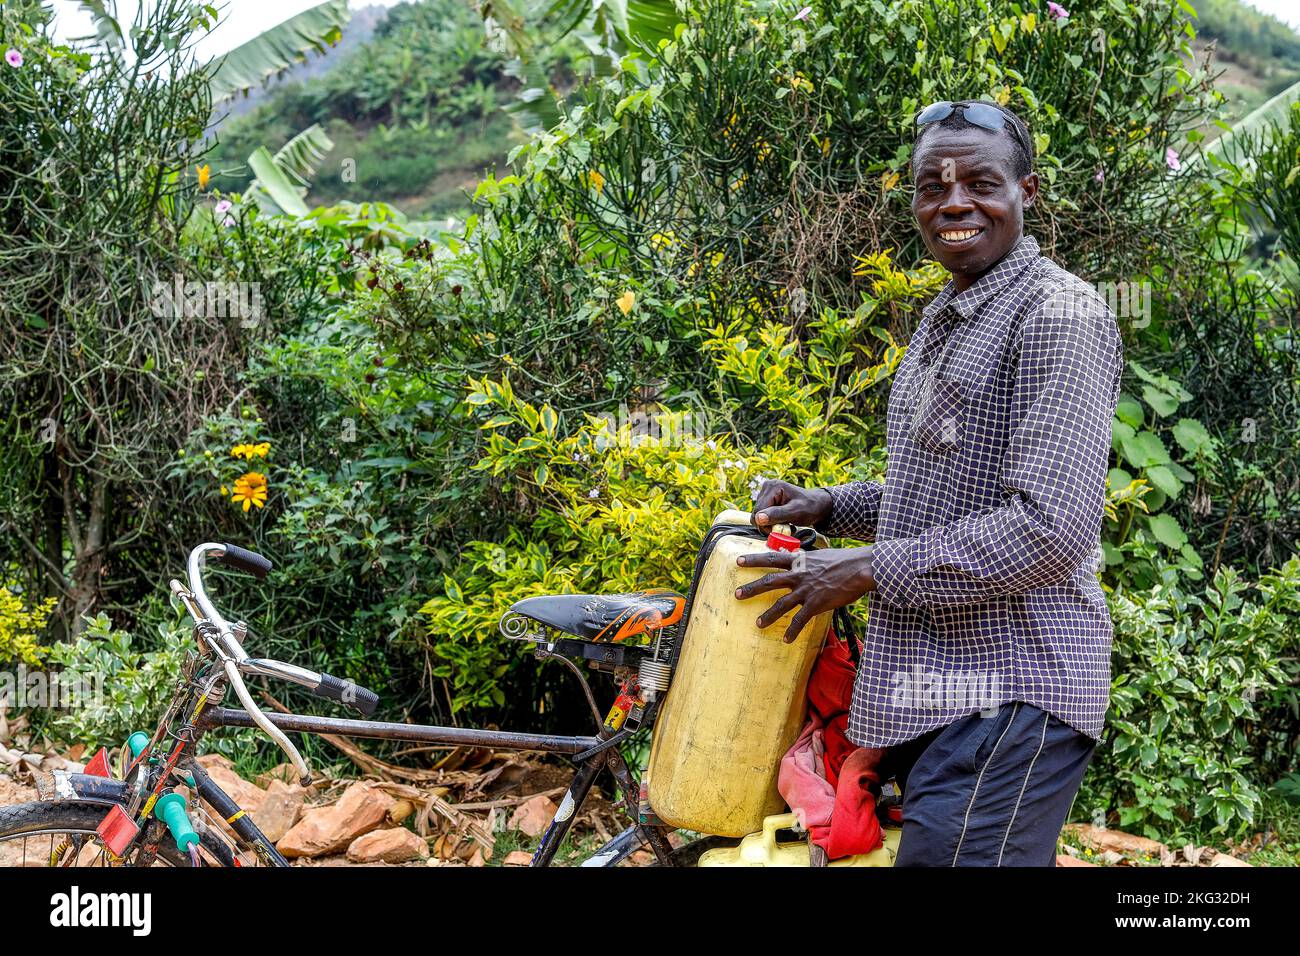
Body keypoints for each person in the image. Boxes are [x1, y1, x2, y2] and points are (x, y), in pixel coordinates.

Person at [737, 100, 1124, 867]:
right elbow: (945, 490)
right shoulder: (949, 313)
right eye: (931, 187)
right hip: (940, 690)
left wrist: (867, 568)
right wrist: (830, 505)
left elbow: (1048, 529)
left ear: (1028, 192)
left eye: (981, 182)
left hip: (1017, 687)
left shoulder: (1059, 315)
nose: (952, 204)